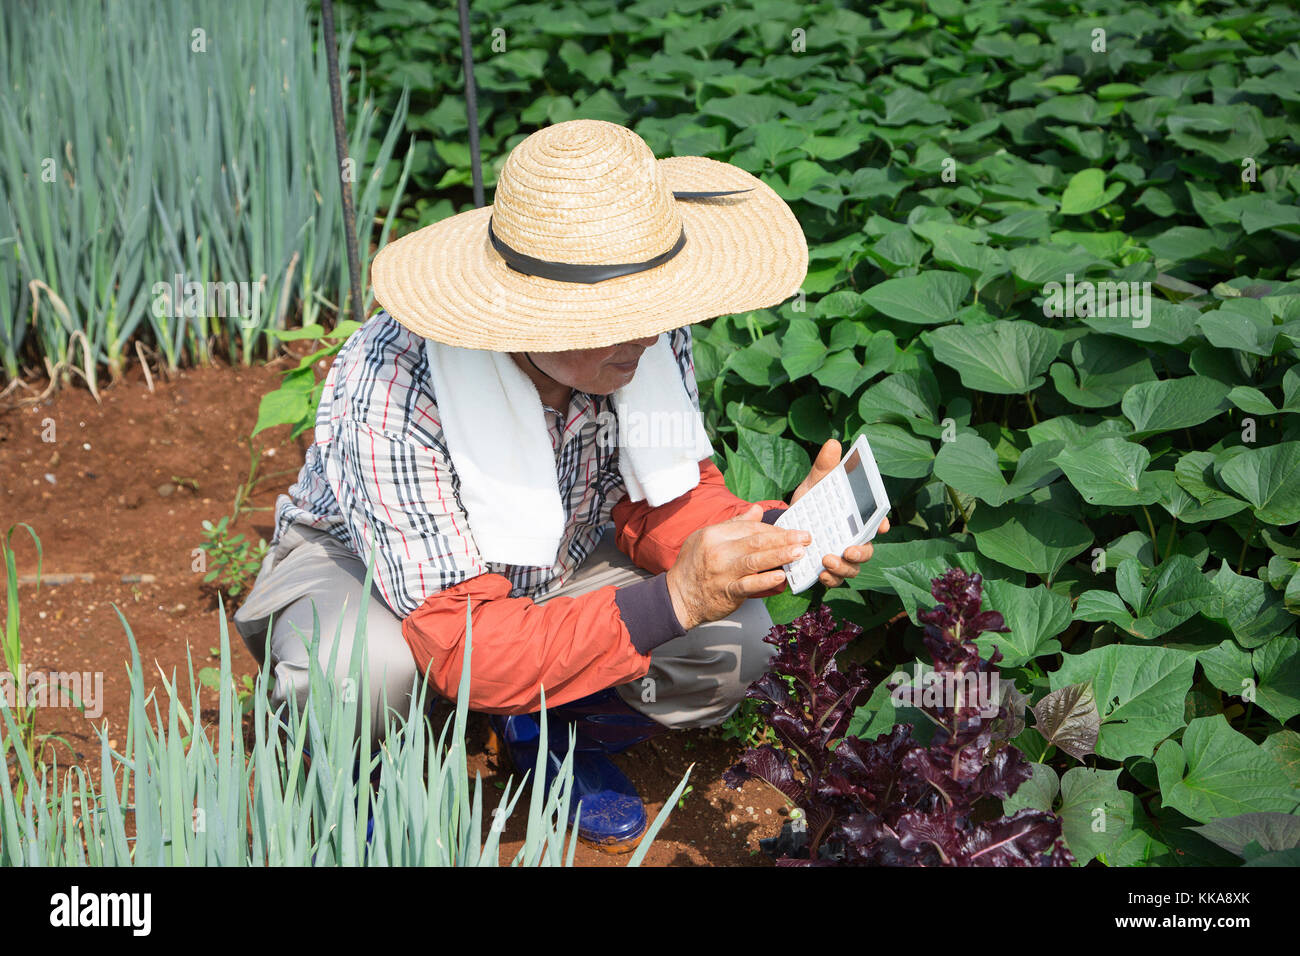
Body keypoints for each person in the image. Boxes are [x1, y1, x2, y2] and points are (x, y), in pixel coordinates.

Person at [234, 118, 888, 852]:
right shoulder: (392, 383)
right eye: (617, 316)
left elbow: (663, 498)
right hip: (373, 575)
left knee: (739, 642)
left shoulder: (641, 334)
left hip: (555, 558)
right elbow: (462, 640)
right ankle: (356, 781)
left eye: (657, 306)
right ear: (525, 312)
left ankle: (548, 728)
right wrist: (673, 598)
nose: (650, 330)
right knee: (358, 674)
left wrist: (770, 532)